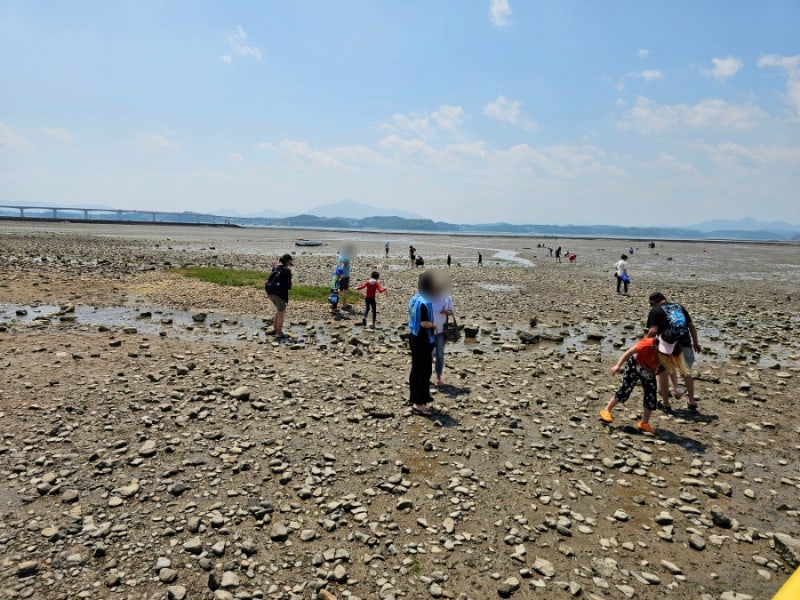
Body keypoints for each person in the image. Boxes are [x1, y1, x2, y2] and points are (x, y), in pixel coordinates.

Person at [599, 331, 688, 434]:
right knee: (626, 389)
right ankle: (607, 410)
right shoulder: (646, 344)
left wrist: (676, 386)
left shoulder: (672, 353)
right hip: (635, 365)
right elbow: (628, 352)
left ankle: (644, 423)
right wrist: (618, 365)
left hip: (649, 372)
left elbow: (671, 370)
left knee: (651, 395)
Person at [646, 292, 702, 412]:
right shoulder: (679, 307)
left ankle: (666, 403)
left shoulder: (655, 311)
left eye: (651, 304)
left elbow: (653, 331)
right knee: (686, 372)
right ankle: (692, 401)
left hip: (667, 345)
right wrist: (696, 343)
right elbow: (691, 325)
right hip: (685, 343)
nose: (651, 306)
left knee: (664, 373)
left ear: (654, 302)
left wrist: (645, 345)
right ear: (664, 299)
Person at [407, 272, 437, 415]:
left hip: (413, 335)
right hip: (423, 339)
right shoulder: (425, 301)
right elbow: (424, 323)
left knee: (416, 368)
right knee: (424, 371)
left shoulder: (414, 298)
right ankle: (419, 403)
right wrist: (434, 325)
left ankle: (413, 398)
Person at [265, 253, 293, 339]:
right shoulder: (287, 271)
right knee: (281, 313)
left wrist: (274, 264)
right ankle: (279, 333)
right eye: (290, 261)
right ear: (288, 261)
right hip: (279, 294)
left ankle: (275, 329)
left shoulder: (277, 267)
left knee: (279, 310)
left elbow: (273, 266)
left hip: (270, 292)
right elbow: (288, 286)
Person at [431, 286, 455, 387]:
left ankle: (438, 377)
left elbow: (451, 312)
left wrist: (446, 312)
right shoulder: (427, 298)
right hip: (428, 332)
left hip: (441, 332)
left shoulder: (447, 298)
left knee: (440, 355)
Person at [337, 244, 354, 310]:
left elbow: (340, 264)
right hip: (345, 276)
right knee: (345, 290)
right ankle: (344, 305)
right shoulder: (346, 257)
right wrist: (342, 274)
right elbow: (343, 265)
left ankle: (333, 300)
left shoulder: (341, 255)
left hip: (339, 274)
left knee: (339, 289)